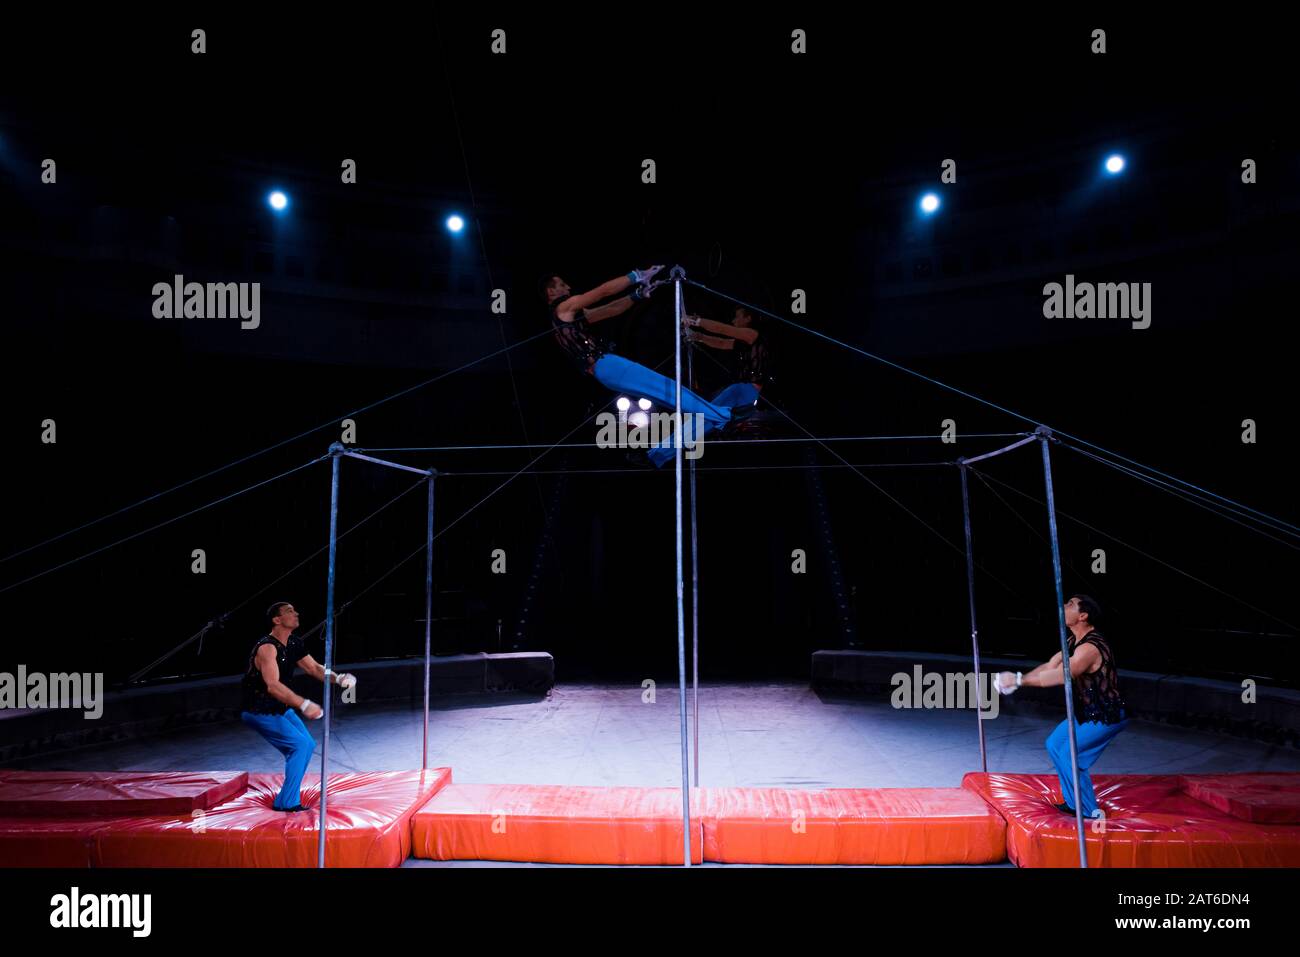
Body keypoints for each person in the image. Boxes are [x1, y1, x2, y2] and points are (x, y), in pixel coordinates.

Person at [542, 268, 755, 464]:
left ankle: (659, 453)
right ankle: (724, 417)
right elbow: (601, 292)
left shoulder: (569, 316)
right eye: (562, 285)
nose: (568, 288)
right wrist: (635, 276)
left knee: (669, 392)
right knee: (669, 389)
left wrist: (637, 295)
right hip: (605, 364)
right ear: (551, 291)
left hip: (604, 370)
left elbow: (609, 309)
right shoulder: (563, 308)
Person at [995, 595, 1127, 819]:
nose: (1063, 607)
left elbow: (1062, 674)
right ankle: (1073, 802)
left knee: (1070, 753)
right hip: (1085, 712)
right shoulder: (1071, 641)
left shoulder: (1091, 648)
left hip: (1107, 715)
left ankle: (1089, 812)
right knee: (1055, 744)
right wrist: (1019, 679)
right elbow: (1050, 665)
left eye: (1070, 605)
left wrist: (1018, 681)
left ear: (1083, 616)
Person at [239, 601, 357, 813]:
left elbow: (314, 668)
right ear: (277, 620)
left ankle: (285, 798)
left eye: (295, 609)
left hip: (279, 707)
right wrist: (304, 704)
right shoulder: (267, 647)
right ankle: (287, 803)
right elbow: (273, 686)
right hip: (258, 709)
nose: (296, 613)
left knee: (307, 745)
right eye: (289, 611)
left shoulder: (293, 642)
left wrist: (339, 679)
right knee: (300, 746)